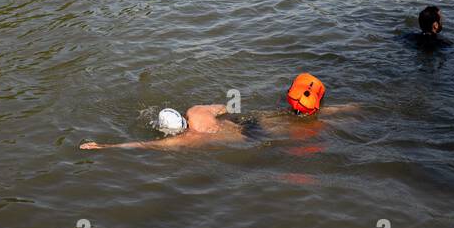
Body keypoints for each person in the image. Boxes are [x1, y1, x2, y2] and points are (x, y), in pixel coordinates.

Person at [80, 73, 355, 150]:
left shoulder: (185, 139)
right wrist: (223, 112)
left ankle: (337, 114)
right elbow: (222, 107)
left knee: (298, 127)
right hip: (247, 119)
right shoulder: (197, 111)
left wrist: (104, 146)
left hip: (250, 137)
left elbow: (143, 144)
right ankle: (348, 108)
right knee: (294, 115)